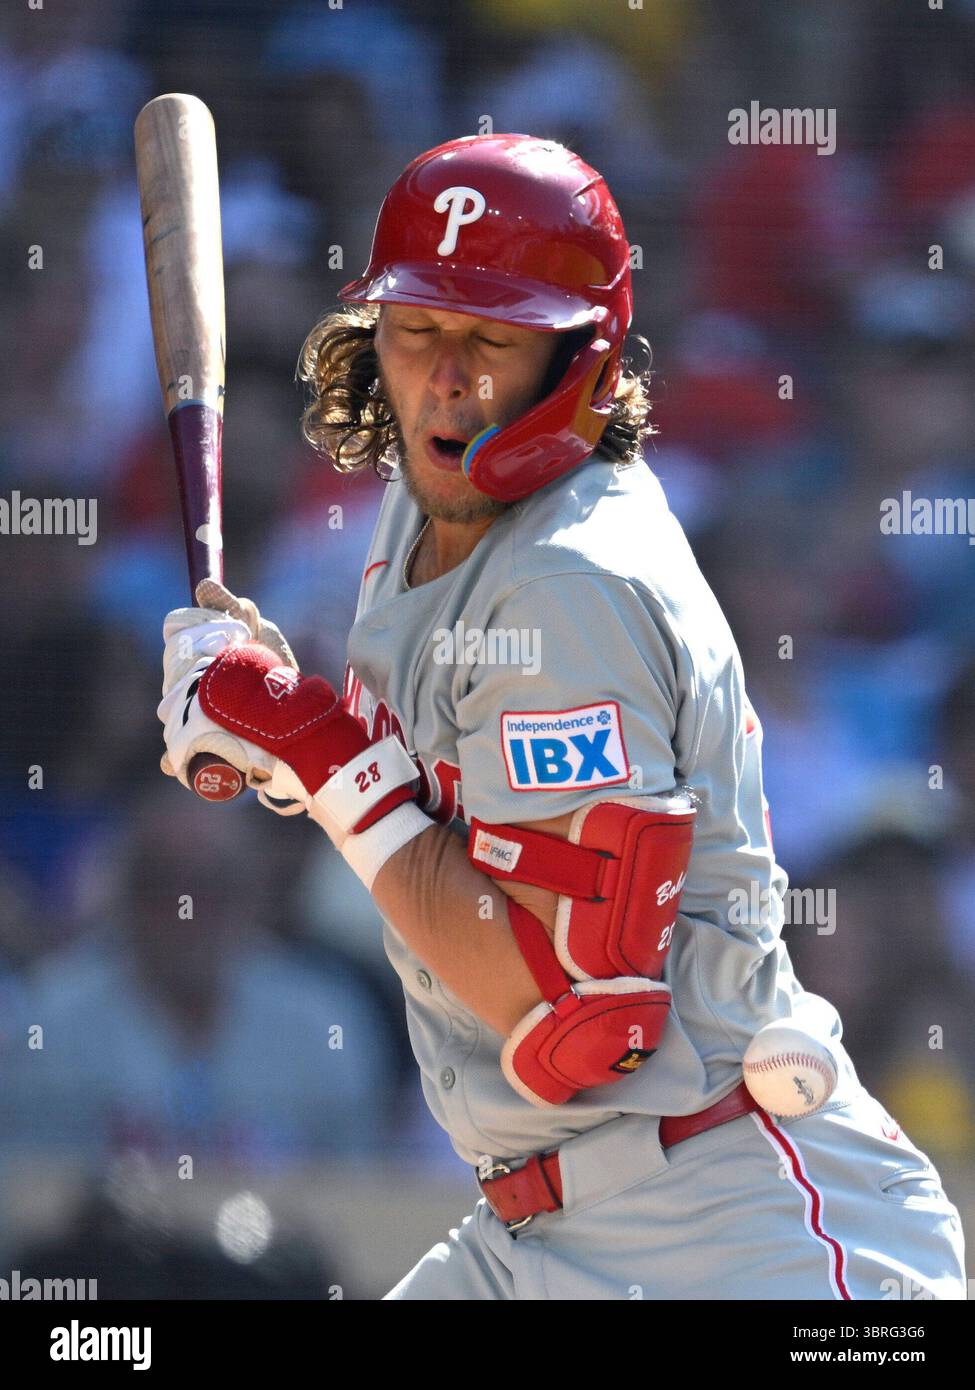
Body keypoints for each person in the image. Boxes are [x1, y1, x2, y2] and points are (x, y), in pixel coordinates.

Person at [156, 134, 967, 1300]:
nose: (445, 375)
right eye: (417, 326)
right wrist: (269, 730)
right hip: (541, 1221)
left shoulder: (570, 579)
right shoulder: (430, 504)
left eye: (491, 338)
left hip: (735, 1224)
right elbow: (433, 817)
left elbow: (567, 1001)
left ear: (574, 357)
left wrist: (305, 738)